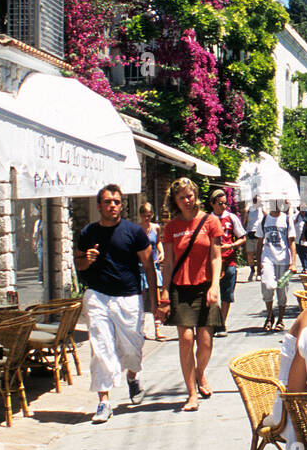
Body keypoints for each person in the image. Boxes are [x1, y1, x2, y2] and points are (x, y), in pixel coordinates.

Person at [76, 184, 160, 424]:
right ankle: (104, 401)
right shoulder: (88, 233)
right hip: (98, 295)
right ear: (99, 206)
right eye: (107, 202)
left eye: (116, 201)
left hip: (129, 296)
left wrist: (153, 304)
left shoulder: (134, 232)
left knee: (133, 348)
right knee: (100, 348)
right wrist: (87, 260)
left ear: (122, 205)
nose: (112, 205)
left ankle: (132, 378)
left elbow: (148, 267)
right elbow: (79, 263)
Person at [160, 178, 224, 412]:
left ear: (195, 195)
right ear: (175, 201)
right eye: (181, 198)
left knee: (205, 341)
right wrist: (165, 292)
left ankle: (200, 373)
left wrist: (214, 285)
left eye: (190, 195)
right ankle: (191, 393)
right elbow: (168, 263)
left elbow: (216, 256)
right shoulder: (171, 228)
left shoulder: (210, 221)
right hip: (181, 288)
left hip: (205, 286)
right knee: (186, 339)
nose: (187, 201)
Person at [256, 201, 300, 332]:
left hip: (284, 260)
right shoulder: (264, 220)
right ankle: (269, 315)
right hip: (268, 258)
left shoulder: (287, 219)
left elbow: (291, 241)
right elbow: (259, 242)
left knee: (282, 291)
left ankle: (280, 319)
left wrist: (293, 262)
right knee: (267, 286)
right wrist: (258, 263)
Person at [210, 189, 247, 336]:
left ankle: (221, 324)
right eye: (220, 203)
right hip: (212, 262)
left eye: (225, 203)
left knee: (227, 293)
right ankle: (214, 322)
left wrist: (231, 246)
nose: (223, 206)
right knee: (212, 294)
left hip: (229, 260)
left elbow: (242, 237)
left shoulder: (231, 218)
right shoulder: (208, 220)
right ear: (212, 204)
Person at [138, 201, 167, 342]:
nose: (147, 218)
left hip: (154, 265)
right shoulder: (137, 230)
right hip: (140, 267)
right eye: (144, 215)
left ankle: (157, 328)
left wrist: (161, 252)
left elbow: (158, 242)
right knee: (142, 299)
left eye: (149, 215)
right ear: (140, 215)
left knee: (156, 298)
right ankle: (142, 328)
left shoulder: (156, 228)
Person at [244, 196, 264, 281]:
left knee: (259, 254)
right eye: (257, 201)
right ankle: (252, 270)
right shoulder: (249, 210)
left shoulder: (262, 210)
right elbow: (244, 221)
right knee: (250, 254)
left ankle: (259, 273)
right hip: (250, 233)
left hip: (259, 234)